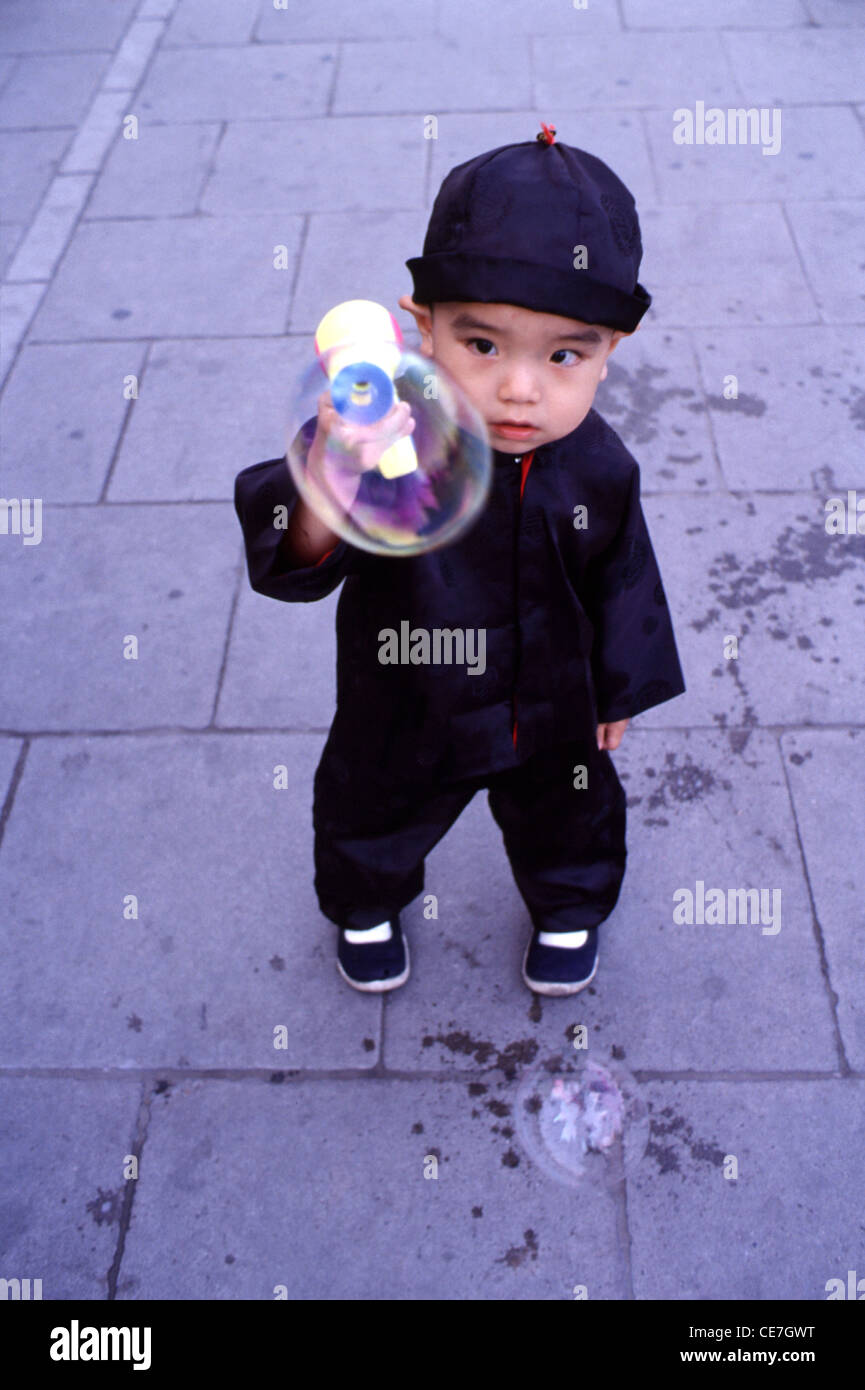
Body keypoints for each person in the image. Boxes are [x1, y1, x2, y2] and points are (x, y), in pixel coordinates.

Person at [234, 125, 686, 998]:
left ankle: (567, 908)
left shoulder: (598, 466)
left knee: (571, 810)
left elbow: (623, 576)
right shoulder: (380, 441)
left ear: (609, 353)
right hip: (406, 688)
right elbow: (298, 558)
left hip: (550, 697)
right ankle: (367, 903)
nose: (521, 389)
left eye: (564, 354)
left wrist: (618, 687)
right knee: (370, 806)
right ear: (422, 331)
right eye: (482, 346)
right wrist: (330, 481)